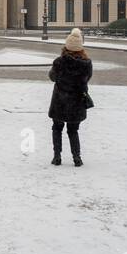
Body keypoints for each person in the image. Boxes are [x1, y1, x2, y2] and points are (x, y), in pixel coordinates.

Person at [48, 27, 93, 167]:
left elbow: (52, 77)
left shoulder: (59, 62)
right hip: (77, 101)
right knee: (73, 130)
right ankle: (76, 158)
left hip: (60, 101)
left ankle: (57, 156)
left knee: (57, 128)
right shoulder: (86, 64)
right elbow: (87, 79)